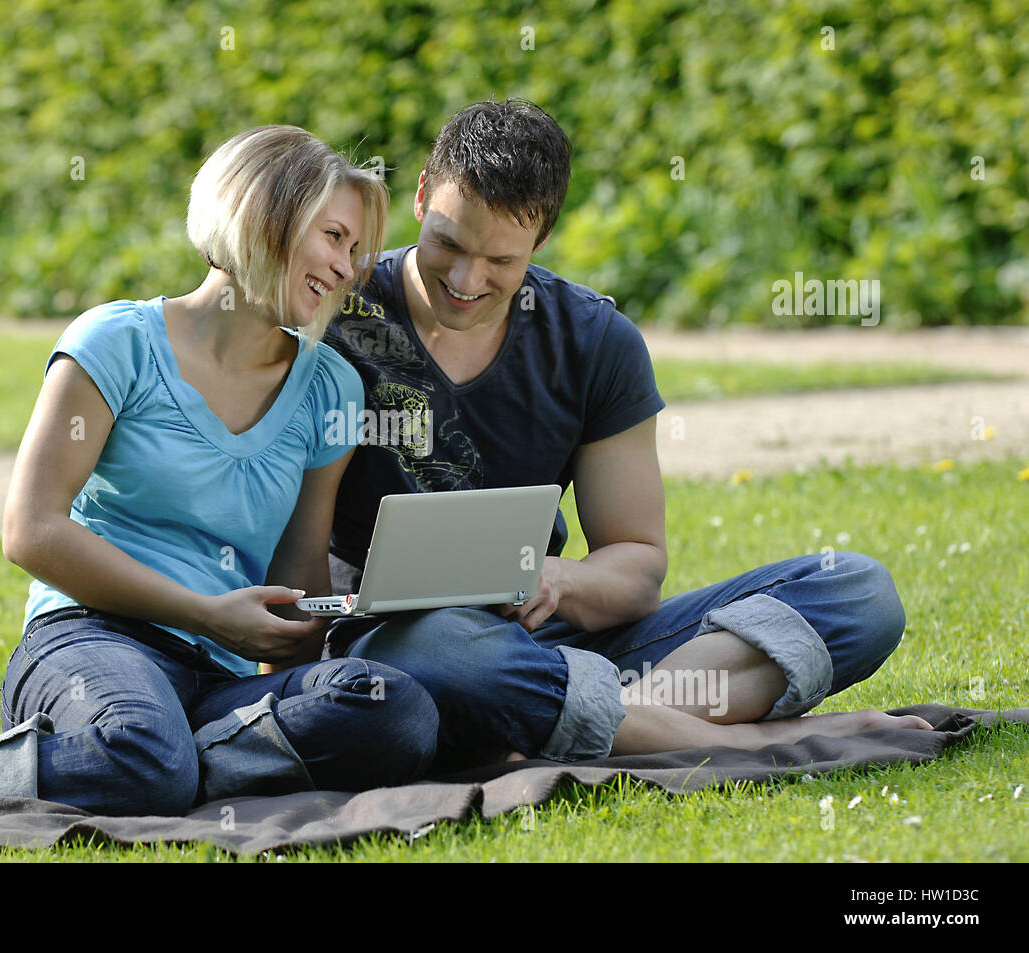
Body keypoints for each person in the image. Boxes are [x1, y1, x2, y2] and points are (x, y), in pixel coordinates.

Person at [0, 126, 439, 830]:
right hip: (92, 639)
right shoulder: (116, 342)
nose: (349, 268)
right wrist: (203, 612)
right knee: (146, 747)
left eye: (357, 250)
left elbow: (299, 568)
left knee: (394, 707)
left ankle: (141, 764)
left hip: (215, 676)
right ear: (264, 215)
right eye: (334, 237)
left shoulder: (331, 387)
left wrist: (316, 632)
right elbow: (30, 531)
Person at [322, 100, 933, 770]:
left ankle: (587, 717)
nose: (466, 280)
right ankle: (734, 739)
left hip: (545, 645)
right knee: (449, 649)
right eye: (449, 243)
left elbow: (636, 568)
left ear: (544, 237)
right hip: (393, 644)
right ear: (418, 197)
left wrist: (558, 578)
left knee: (855, 591)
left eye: (500, 259)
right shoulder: (335, 314)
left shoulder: (593, 341)